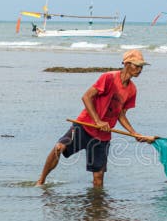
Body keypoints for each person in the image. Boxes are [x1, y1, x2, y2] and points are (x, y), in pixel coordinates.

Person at [36, 49, 155, 187]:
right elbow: (86, 97)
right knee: (59, 147)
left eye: (141, 66)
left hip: (103, 135)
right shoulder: (109, 78)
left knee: (98, 178)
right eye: (136, 65)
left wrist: (134, 133)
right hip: (84, 126)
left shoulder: (132, 90)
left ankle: (97, 206)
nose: (139, 69)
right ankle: (41, 181)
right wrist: (98, 120)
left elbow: (120, 114)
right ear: (126, 64)